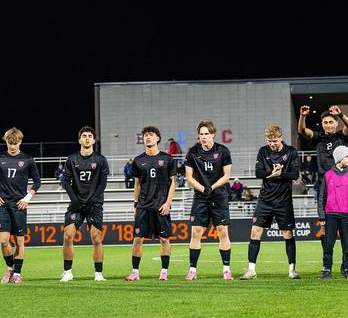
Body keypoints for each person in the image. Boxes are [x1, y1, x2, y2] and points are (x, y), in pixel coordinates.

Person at [241, 124, 301, 280]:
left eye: (274, 140)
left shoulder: (291, 152)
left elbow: (295, 174)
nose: (272, 144)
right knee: (255, 232)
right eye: (269, 141)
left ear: (281, 137)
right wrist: (271, 173)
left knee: (287, 234)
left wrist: (280, 174)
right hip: (265, 200)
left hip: (284, 200)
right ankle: (251, 270)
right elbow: (258, 173)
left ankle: (292, 270)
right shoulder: (263, 151)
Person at [0, 127, 41, 284]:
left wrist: (27, 198)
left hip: (19, 204)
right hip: (2, 203)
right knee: (3, 240)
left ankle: (17, 273)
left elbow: (37, 182)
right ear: (6, 141)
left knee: (20, 241)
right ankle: (10, 269)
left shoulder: (28, 160)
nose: (13, 146)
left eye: (15, 143)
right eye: (10, 142)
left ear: (20, 142)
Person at [58, 126, 110, 282]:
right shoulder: (72, 160)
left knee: (97, 239)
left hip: (94, 205)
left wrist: (92, 200)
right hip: (76, 204)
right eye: (84, 136)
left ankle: (98, 274)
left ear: (94, 140)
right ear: (79, 140)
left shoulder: (100, 160)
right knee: (67, 236)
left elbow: (102, 184)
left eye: (90, 136)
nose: (87, 138)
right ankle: (67, 272)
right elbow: (65, 181)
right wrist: (75, 200)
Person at [184, 120, 233, 280]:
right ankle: (192, 270)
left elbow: (226, 176)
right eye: (201, 134)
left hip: (219, 196)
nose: (203, 137)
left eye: (206, 134)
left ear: (212, 134)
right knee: (196, 232)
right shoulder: (192, 152)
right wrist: (203, 189)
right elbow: (189, 177)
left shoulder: (223, 151)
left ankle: (226, 269)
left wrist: (211, 187)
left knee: (222, 232)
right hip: (200, 197)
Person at [125, 126, 176, 281]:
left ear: (157, 138)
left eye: (151, 135)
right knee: (137, 238)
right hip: (143, 206)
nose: (148, 137)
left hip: (161, 206)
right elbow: (137, 184)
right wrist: (135, 204)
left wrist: (168, 203)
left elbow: (173, 182)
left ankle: (164, 272)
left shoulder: (167, 159)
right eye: (146, 135)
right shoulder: (138, 161)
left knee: (164, 239)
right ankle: (135, 272)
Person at [298, 105, 348, 240]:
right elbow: (302, 130)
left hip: (341, 184)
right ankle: (327, 258)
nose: (328, 125)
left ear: (336, 123)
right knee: (324, 224)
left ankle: (346, 257)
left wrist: (340, 114)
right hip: (324, 184)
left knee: (343, 226)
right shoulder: (318, 137)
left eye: (331, 122)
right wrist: (303, 116)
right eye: (325, 122)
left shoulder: (341, 136)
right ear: (322, 124)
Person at [317, 146, 348, 280]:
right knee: (328, 244)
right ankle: (327, 270)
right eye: (346, 156)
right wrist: (321, 215)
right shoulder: (328, 175)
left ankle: (347, 269)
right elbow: (322, 198)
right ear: (339, 158)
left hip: (347, 215)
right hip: (330, 215)